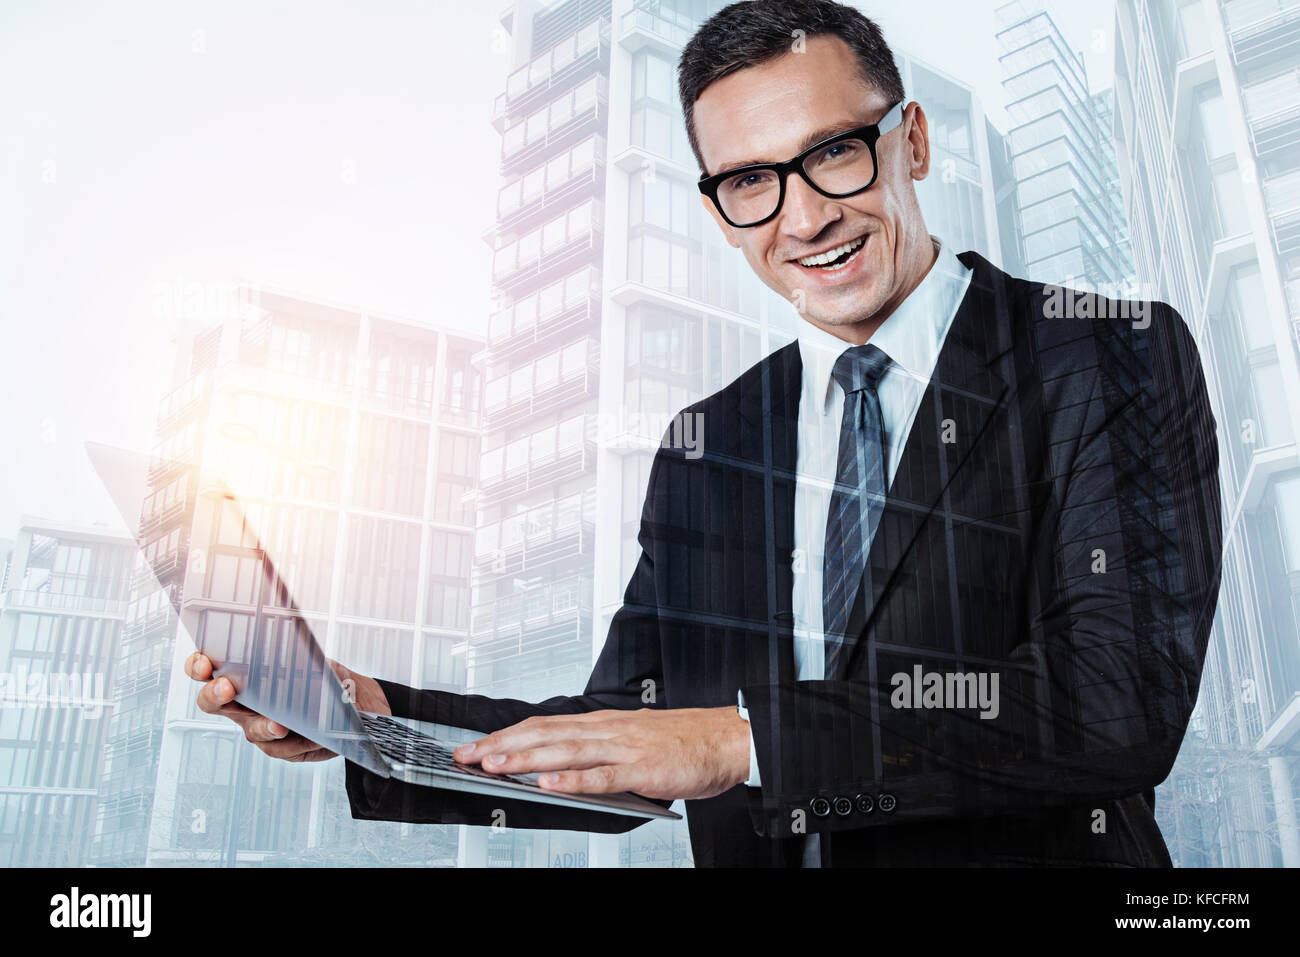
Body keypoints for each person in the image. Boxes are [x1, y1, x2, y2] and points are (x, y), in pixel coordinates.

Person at [186, 0, 1223, 866]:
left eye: (834, 156)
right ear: (721, 209)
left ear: (909, 139)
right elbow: (627, 732)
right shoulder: (711, 436)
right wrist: (372, 720)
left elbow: (1115, 702)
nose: (802, 218)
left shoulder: (1098, 356)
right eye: (749, 182)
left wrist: (738, 742)